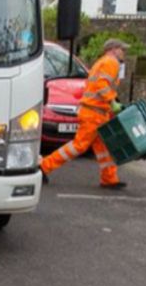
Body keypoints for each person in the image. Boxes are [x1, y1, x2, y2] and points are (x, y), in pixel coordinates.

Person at [41, 38, 129, 189]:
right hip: (94, 113)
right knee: (79, 146)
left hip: (95, 112)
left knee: (104, 148)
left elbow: (96, 84)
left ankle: (109, 179)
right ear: (114, 49)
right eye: (123, 49)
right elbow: (102, 84)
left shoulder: (102, 62)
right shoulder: (111, 62)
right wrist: (112, 102)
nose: (124, 53)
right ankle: (43, 166)